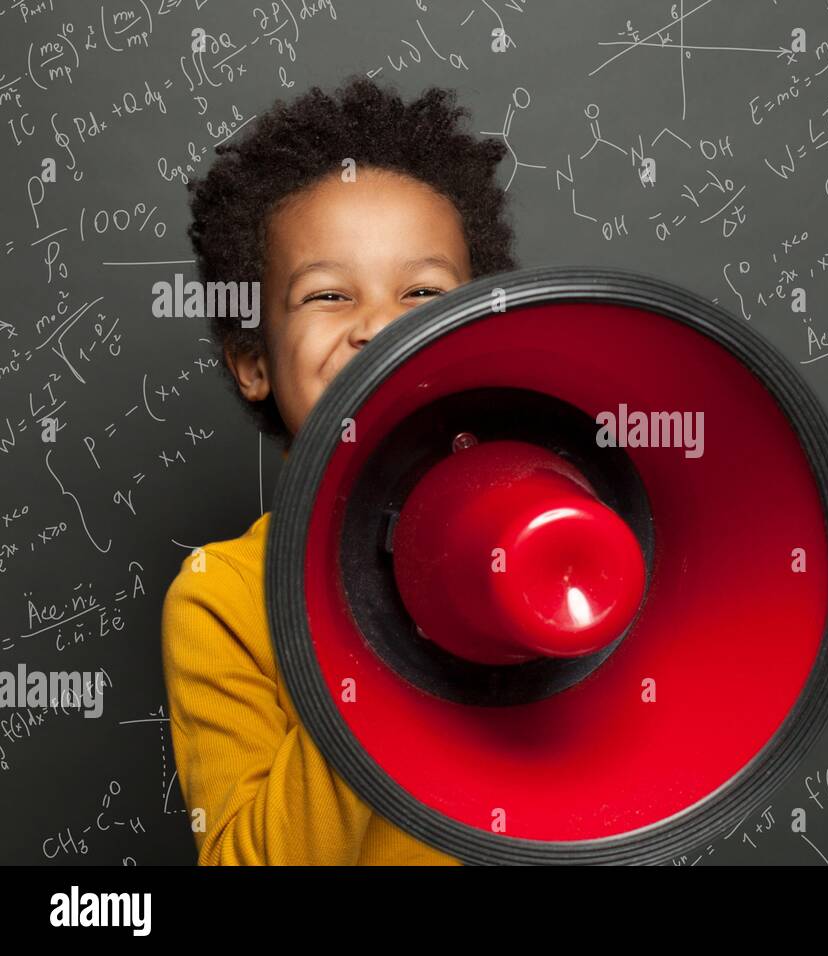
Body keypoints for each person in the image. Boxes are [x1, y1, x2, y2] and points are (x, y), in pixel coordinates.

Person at [160, 75, 518, 865]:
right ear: (253, 361)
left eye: (423, 291)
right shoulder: (220, 597)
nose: (381, 328)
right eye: (327, 294)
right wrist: (384, 617)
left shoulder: (538, 534)